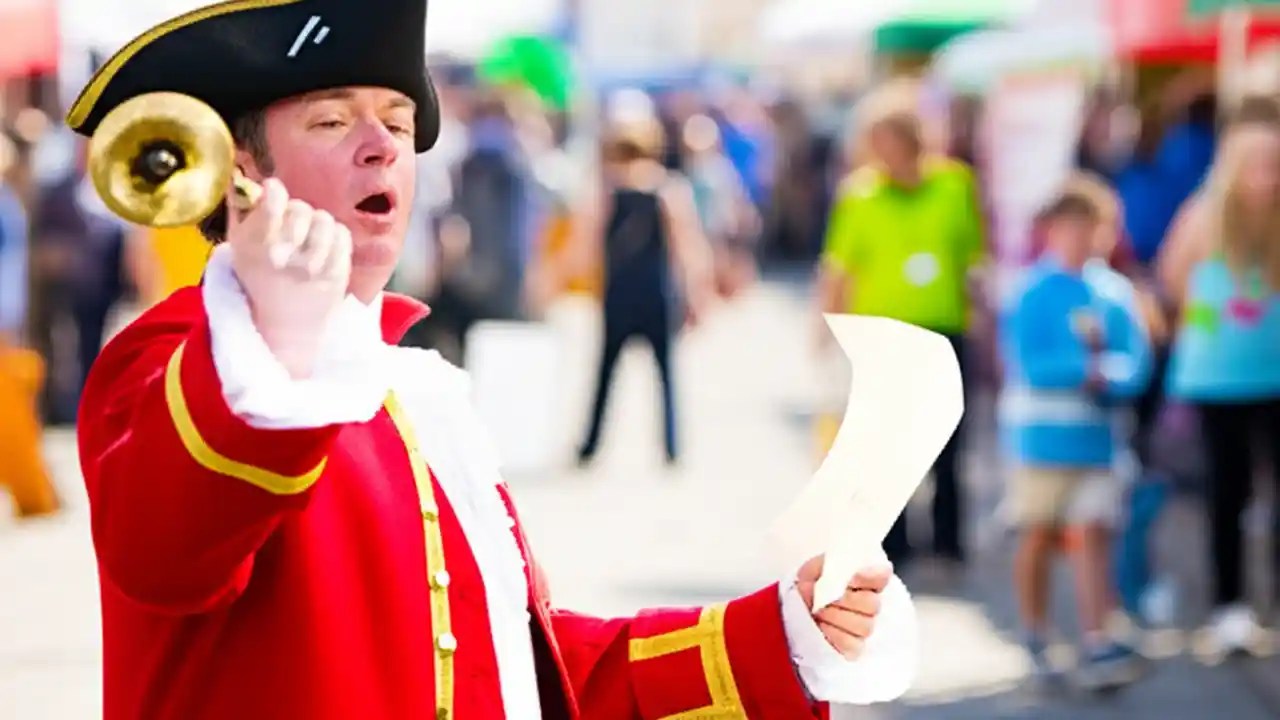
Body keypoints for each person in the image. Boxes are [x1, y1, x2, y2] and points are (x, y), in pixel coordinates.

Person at [68, 2, 919, 718]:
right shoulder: (179, 364)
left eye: (397, 123)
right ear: (239, 170)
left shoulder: (415, 393)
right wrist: (279, 340)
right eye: (331, 120)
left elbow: (525, 670)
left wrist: (779, 633)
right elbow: (164, 556)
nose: (381, 146)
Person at [817, 87, 987, 568]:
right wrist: (826, 333)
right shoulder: (860, 195)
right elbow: (839, 269)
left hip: (943, 328)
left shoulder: (955, 186)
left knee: (948, 444)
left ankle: (949, 542)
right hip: (881, 337)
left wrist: (982, 317)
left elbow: (972, 259)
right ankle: (895, 545)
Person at [998, 185, 1152, 692]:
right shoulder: (1032, 292)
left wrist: (1112, 375)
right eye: (1071, 227)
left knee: (1091, 534)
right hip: (1040, 441)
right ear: (1051, 230)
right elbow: (1030, 364)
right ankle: (1037, 631)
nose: (1082, 238)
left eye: (1092, 227)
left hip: (1097, 440)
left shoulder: (1113, 292)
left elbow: (1138, 362)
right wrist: (1085, 371)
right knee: (1039, 534)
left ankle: (1095, 637)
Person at [1157, 96, 1280, 657]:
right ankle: (1228, 609)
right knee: (1228, 495)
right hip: (1219, 380)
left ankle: (1269, 610)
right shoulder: (1203, 217)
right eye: (1258, 165)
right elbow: (1173, 279)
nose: (1267, 177)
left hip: (1272, 377)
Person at [573, 113, 716, 466]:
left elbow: (585, 244)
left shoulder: (606, 192)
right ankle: (670, 447)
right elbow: (688, 246)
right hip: (657, 293)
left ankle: (590, 446)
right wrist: (698, 295)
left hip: (618, 293)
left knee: (605, 374)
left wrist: (576, 283)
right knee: (665, 375)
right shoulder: (669, 190)